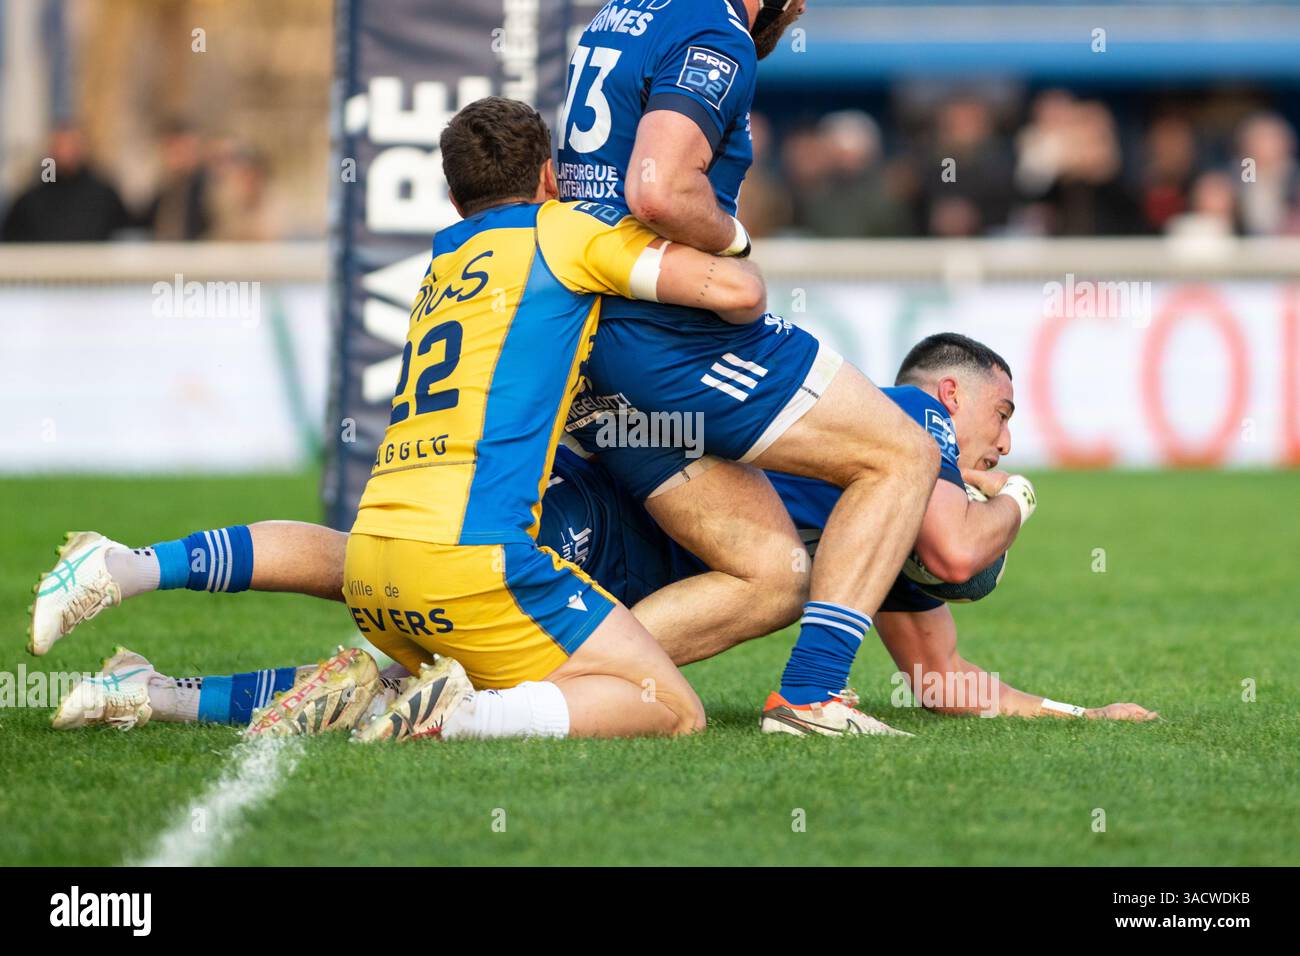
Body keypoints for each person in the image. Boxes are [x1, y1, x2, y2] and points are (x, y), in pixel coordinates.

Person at [35, 95, 773, 744]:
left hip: (374, 557)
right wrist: (721, 233)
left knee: (375, 685)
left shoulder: (445, 258)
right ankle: (464, 718)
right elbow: (736, 292)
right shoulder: (567, 232)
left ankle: (146, 643)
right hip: (473, 559)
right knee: (670, 707)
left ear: (455, 203)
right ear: (549, 177)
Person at [42, 333, 1156, 733]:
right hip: (604, 523)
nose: (1008, 439)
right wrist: (1020, 503)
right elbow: (966, 546)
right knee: (387, 598)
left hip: (617, 557)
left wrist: (1077, 713)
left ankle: (152, 688)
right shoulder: (912, 425)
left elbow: (942, 678)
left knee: (402, 654)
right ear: (952, 396)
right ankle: (135, 577)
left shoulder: (886, 544)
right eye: (1002, 415)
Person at [558, 0, 941, 736]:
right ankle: (812, 697)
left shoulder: (621, 11)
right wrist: (732, 241)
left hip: (601, 334)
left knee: (772, 580)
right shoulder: (713, 28)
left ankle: (517, 684)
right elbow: (657, 187)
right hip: (670, 335)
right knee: (901, 453)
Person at [0, 125, 133, 242]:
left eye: (71, 145)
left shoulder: (104, 196)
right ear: (51, 150)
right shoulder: (30, 200)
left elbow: (125, 234)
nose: (66, 152)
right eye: (60, 146)